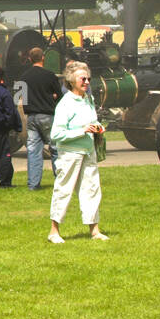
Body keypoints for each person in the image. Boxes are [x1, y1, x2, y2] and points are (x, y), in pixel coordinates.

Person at [47, 62, 109, 243]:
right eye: (83, 79)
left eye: (88, 79)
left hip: (88, 151)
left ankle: (95, 230)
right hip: (70, 154)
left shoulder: (88, 100)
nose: (87, 82)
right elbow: (56, 134)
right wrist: (82, 130)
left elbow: (92, 122)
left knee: (92, 189)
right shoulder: (65, 103)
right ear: (71, 81)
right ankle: (54, 231)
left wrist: (97, 128)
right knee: (63, 189)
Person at [20, 47, 63, 190]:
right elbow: (60, 95)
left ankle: (33, 184)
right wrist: (51, 98)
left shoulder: (24, 76)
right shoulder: (50, 75)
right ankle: (60, 181)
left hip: (31, 117)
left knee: (33, 151)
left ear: (30, 59)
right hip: (47, 116)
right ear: (43, 58)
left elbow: (18, 98)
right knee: (55, 148)